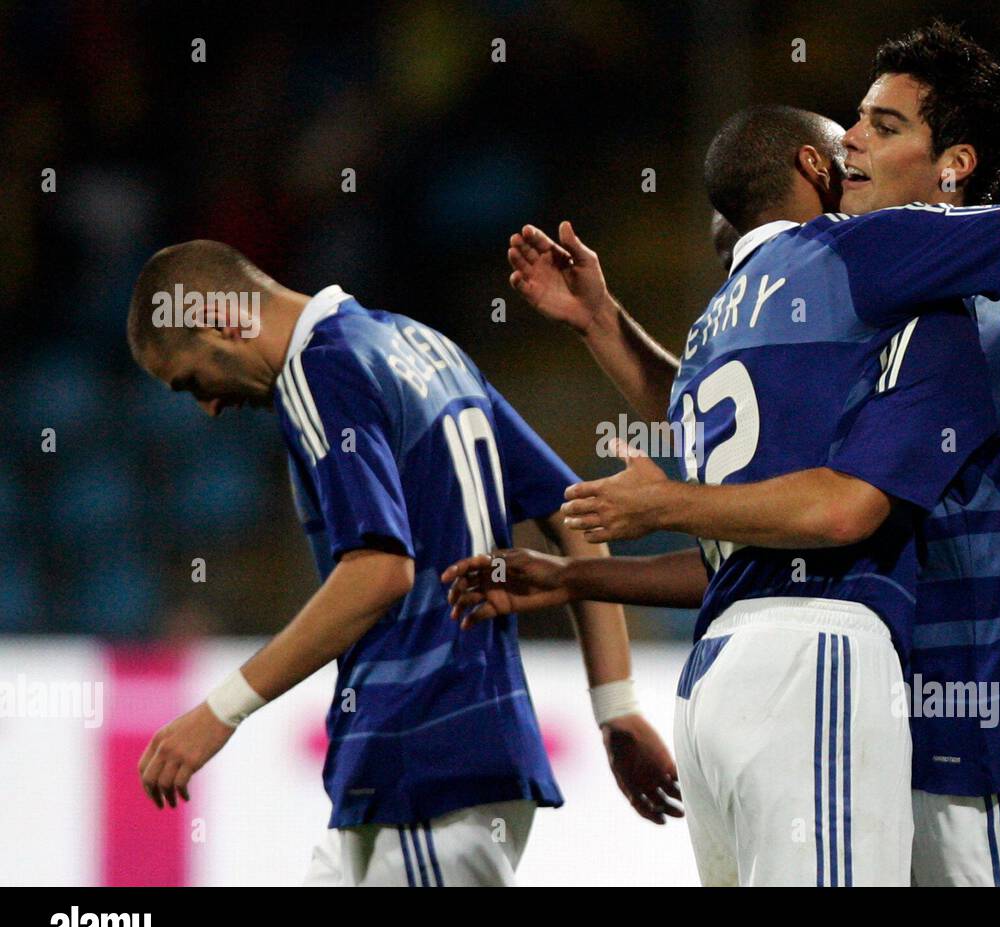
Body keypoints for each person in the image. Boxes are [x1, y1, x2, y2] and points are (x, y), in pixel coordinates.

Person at [451, 91, 1000, 885]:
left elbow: (770, 519)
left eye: (882, 127)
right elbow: (839, 510)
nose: (856, 146)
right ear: (811, 168)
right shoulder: (862, 266)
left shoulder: (719, 323)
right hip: (878, 692)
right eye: (852, 132)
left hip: (737, 683)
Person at [125, 240, 679, 887]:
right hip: (422, 763)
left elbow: (379, 572)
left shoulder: (320, 368)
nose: (208, 405)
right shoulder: (421, 345)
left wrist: (217, 712)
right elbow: (578, 521)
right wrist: (615, 706)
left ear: (222, 321)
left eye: (191, 380)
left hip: (427, 752)